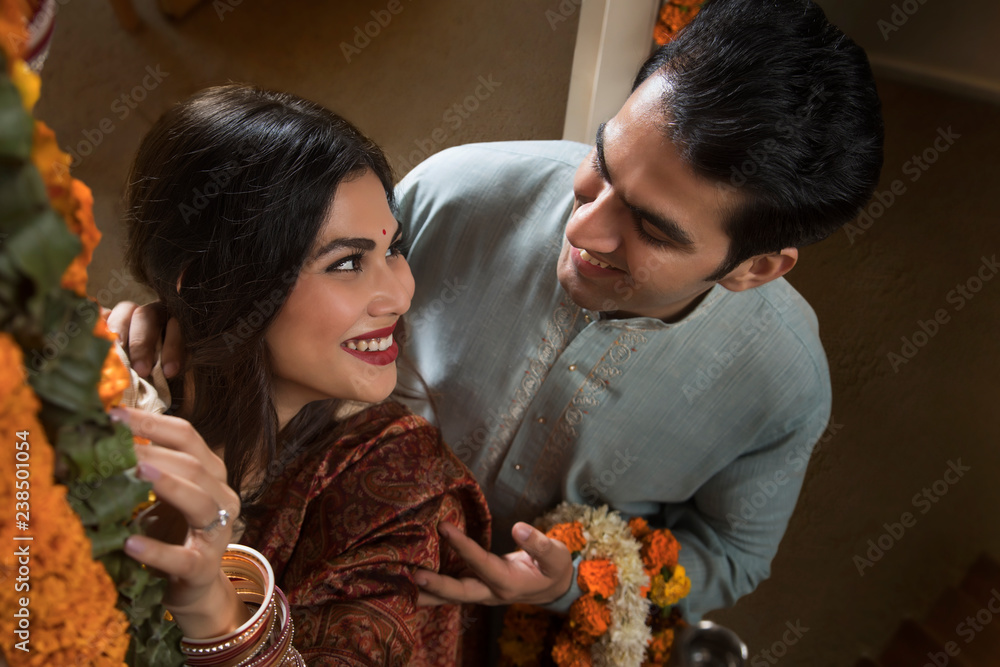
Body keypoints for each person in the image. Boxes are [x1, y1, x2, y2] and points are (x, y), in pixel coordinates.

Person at [114, 0, 883, 630]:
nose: (583, 229)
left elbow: (733, 554)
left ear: (755, 267)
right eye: (603, 165)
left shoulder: (780, 382)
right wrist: (194, 316)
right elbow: (295, 273)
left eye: (652, 228)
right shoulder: (462, 189)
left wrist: (567, 585)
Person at [111, 84, 490, 666]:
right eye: (346, 263)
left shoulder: (396, 478)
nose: (399, 293)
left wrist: (211, 605)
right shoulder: (100, 398)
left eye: (393, 249)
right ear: (208, 281)